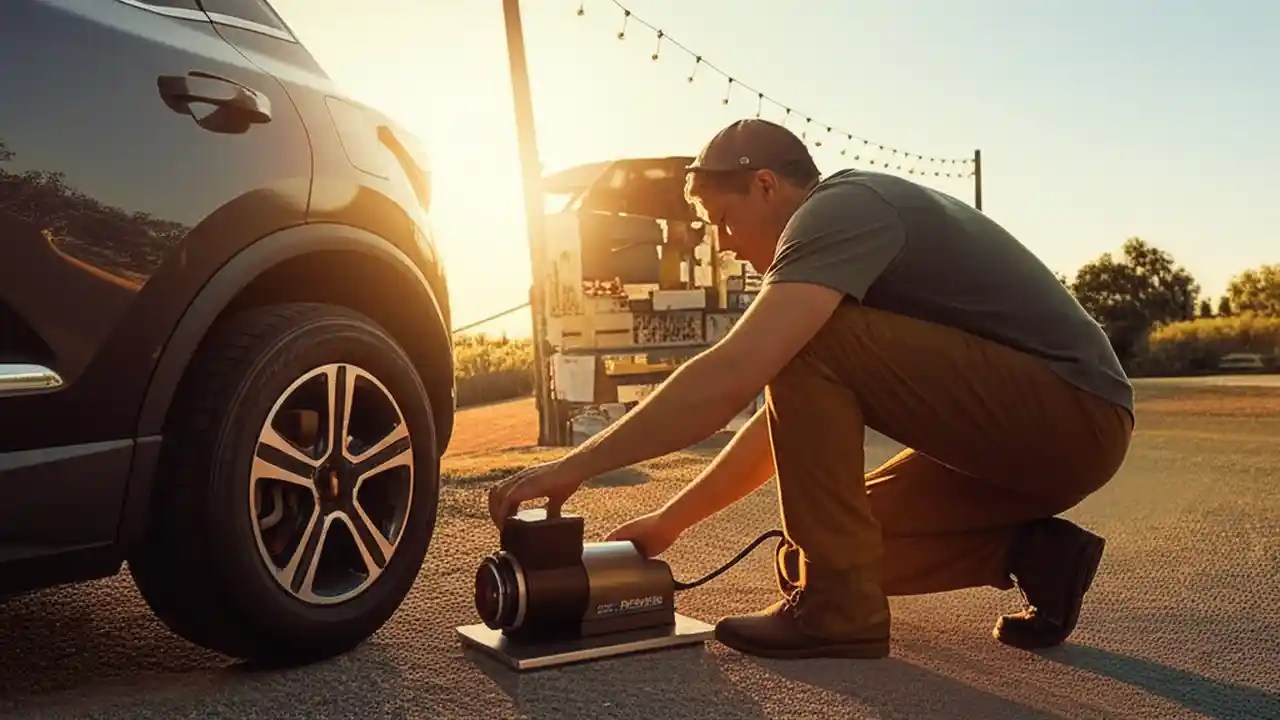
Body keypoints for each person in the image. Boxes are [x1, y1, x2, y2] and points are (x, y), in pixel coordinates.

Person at [488, 118, 1134, 660]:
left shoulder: (839, 212)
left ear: (765, 185)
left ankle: (839, 609)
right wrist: (670, 522)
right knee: (818, 552)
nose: (725, 244)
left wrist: (575, 465)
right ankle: (1036, 555)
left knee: (808, 367)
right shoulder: (835, 238)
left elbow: (732, 373)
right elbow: (780, 419)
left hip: (1073, 413)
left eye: (723, 218)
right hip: (1035, 439)